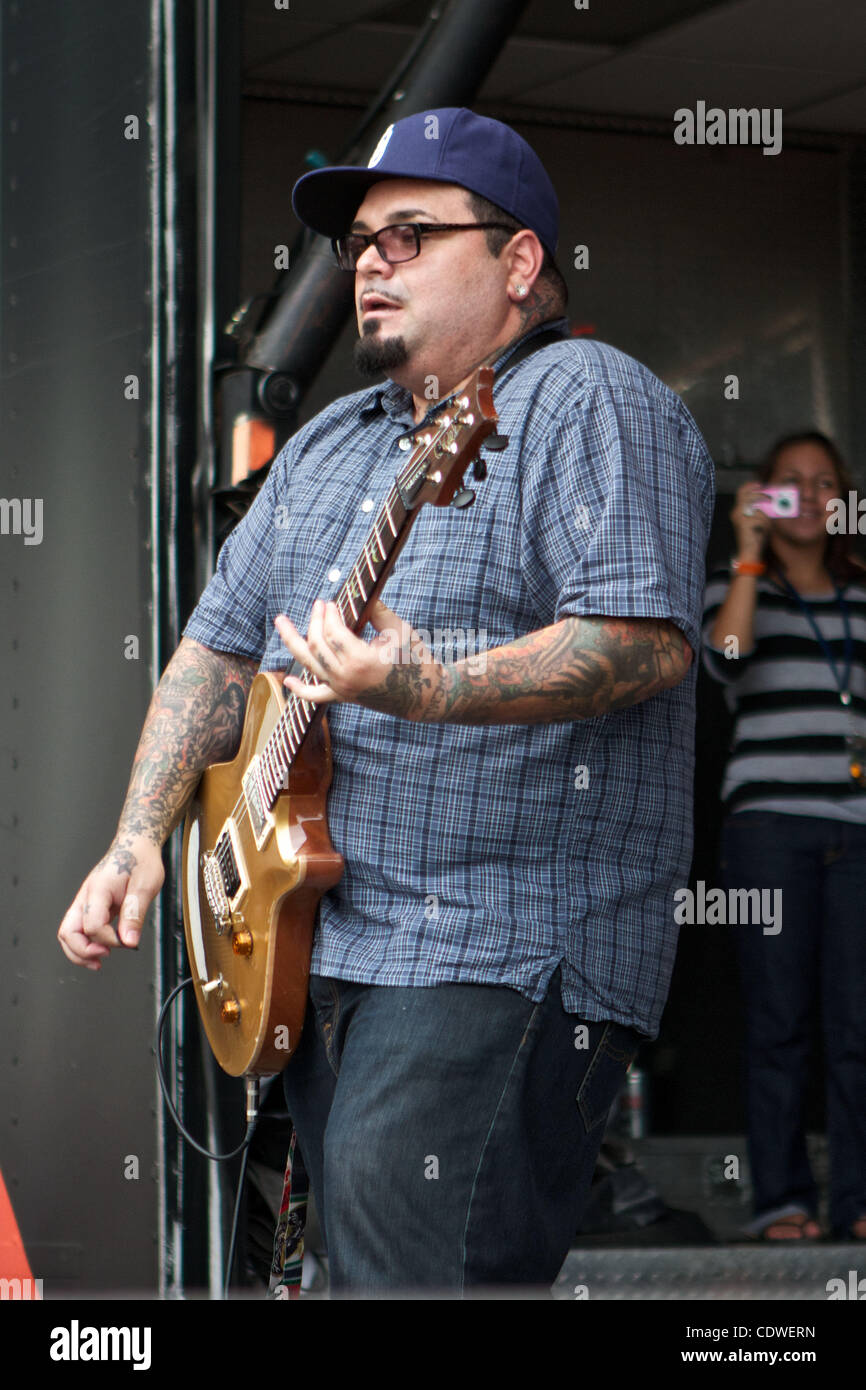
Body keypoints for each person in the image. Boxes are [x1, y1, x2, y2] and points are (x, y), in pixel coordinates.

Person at [58, 107, 714, 1294]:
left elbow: (642, 645)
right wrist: (136, 838)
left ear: (519, 264)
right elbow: (214, 654)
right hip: (327, 946)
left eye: (410, 234)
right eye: (359, 242)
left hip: (500, 944)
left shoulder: (586, 398)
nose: (368, 262)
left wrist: (423, 684)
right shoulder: (326, 446)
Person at [702, 432, 866, 1242]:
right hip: (768, 831)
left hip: (858, 832)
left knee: (858, 1025)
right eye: (789, 483)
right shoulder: (740, 588)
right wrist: (746, 551)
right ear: (763, 496)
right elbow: (726, 656)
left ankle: (860, 1202)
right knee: (777, 1022)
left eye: (824, 482)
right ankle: (781, 1202)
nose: (808, 493)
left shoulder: (862, 594)